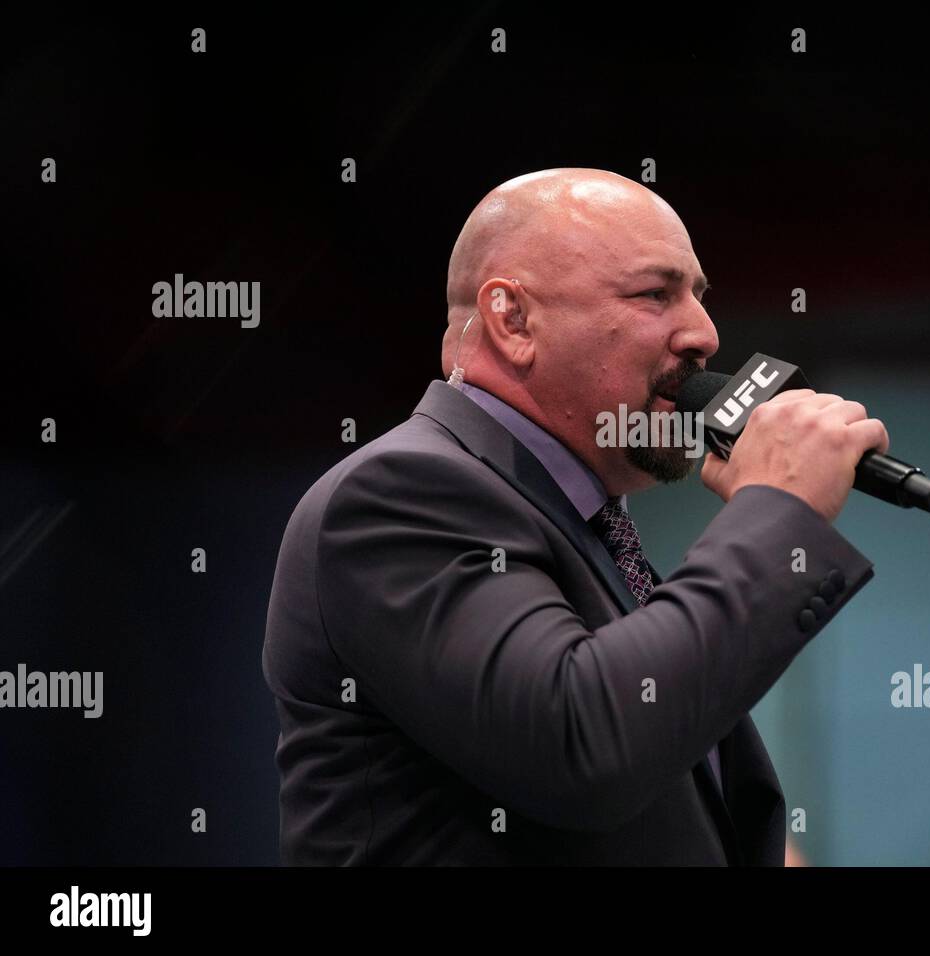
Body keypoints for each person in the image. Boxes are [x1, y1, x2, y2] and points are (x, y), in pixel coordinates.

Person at [262, 168, 889, 865]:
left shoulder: (587, 531)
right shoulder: (398, 493)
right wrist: (777, 511)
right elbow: (580, 744)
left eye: (699, 297)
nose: (705, 334)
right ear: (513, 320)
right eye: (657, 293)